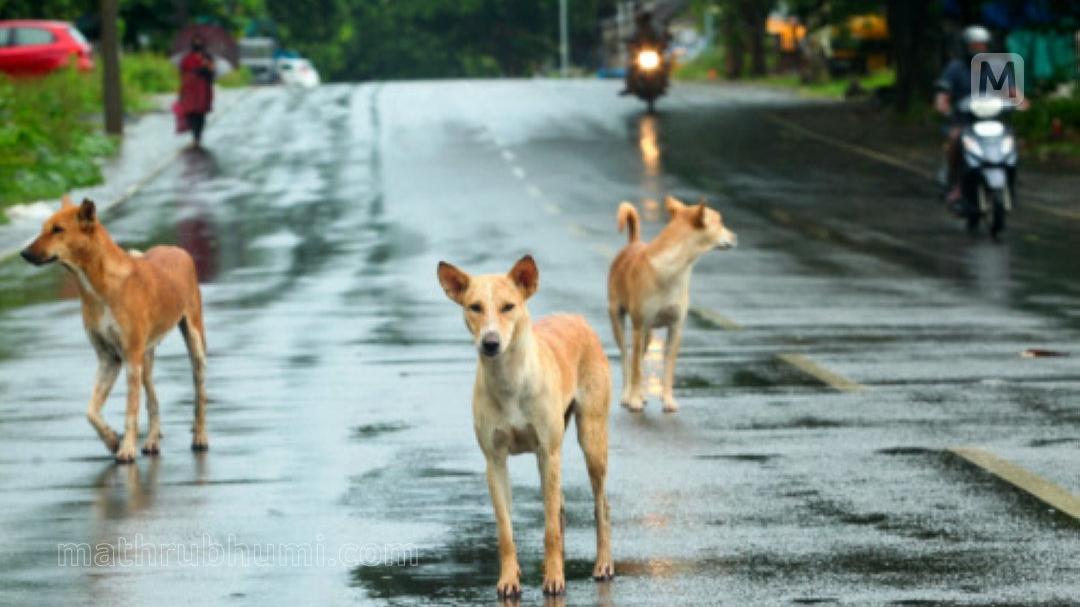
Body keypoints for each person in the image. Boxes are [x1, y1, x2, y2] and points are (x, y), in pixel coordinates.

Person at [934, 25, 991, 212]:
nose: (979, 49)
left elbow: (1011, 92)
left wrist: (1021, 102)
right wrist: (943, 105)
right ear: (966, 47)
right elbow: (943, 94)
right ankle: (956, 183)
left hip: (990, 121)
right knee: (954, 140)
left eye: (982, 46)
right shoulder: (955, 68)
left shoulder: (995, 68)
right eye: (975, 46)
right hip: (963, 122)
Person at [177, 35, 215, 147]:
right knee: (190, 112)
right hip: (189, 88)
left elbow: (212, 73)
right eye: (195, 41)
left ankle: (198, 136)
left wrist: (206, 66)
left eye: (200, 41)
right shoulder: (187, 58)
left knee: (200, 112)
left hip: (203, 88)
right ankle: (194, 135)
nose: (198, 44)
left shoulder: (207, 57)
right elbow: (182, 72)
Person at [619, 10, 669, 96]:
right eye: (642, 20)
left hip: (654, 54)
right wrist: (628, 43)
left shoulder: (655, 29)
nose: (643, 22)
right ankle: (629, 86)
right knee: (630, 67)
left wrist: (664, 42)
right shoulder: (636, 30)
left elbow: (662, 37)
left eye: (645, 20)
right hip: (639, 55)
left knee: (664, 64)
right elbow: (630, 40)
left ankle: (664, 83)